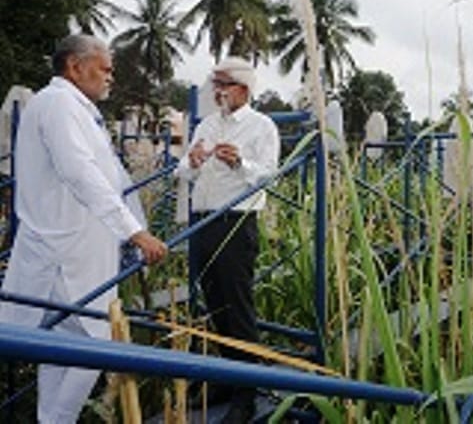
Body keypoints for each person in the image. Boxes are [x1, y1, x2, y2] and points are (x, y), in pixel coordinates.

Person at [0, 34, 167, 423]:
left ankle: (51, 419)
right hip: (65, 252)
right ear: (75, 66)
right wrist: (134, 232)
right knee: (93, 344)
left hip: (78, 250)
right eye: (105, 68)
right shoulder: (59, 104)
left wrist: (132, 226)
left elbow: (109, 175)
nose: (111, 76)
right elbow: (80, 172)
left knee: (63, 344)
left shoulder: (77, 108)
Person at [176, 57, 280, 421]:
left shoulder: (261, 126)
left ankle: (246, 393)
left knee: (237, 306)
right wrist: (194, 160)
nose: (216, 91)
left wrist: (241, 164)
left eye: (223, 85)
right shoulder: (206, 123)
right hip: (203, 221)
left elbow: (270, 176)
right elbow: (182, 173)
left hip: (237, 224)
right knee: (215, 303)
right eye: (214, 84)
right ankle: (227, 376)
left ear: (243, 90)